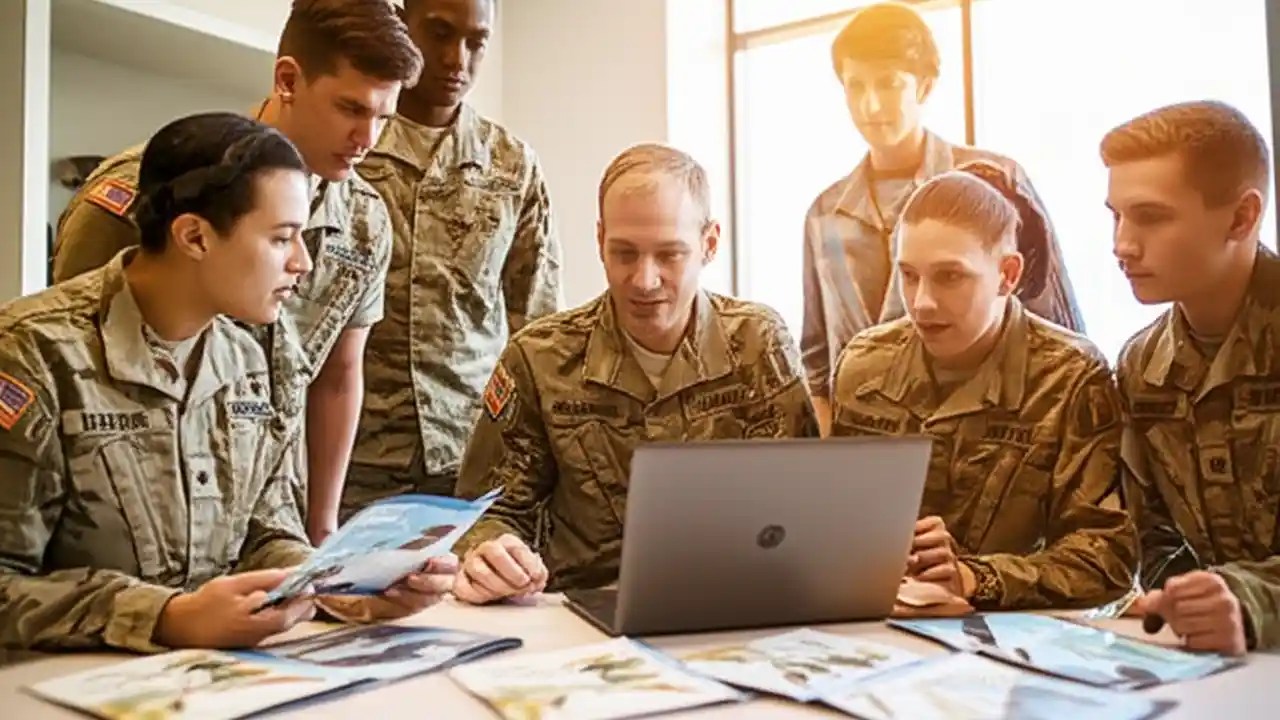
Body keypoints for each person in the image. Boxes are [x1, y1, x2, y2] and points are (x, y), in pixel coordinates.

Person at [0, 113, 453, 653]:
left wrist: (348, 587)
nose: (303, 263)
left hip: (214, 682)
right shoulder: (31, 354)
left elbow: (267, 533)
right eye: (282, 238)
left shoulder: (249, 359)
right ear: (194, 236)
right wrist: (165, 616)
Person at [51, 0, 423, 545]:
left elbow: (339, 378)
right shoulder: (149, 192)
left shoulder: (366, 219)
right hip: (137, 516)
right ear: (288, 79)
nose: (368, 139)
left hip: (270, 522)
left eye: (384, 117)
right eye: (350, 108)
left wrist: (323, 528)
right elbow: (69, 358)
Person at [448, 144, 820, 603]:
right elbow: (488, 508)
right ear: (600, 240)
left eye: (670, 255)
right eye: (624, 253)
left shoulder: (757, 343)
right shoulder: (540, 357)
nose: (645, 280)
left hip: (734, 601)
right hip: (579, 611)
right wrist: (490, 551)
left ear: (709, 244)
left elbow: (807, 502)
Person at [828, 165, 1136, 611]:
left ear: (1008, 275)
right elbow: (834, 518)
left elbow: (1107, 558)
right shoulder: (864, 364)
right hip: (881, 624)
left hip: (1016, 639)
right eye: (909, 275)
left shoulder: (1069, 375)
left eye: (950, 276)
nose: (921, 302)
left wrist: (974, 577)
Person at [803, 1, 1084, 435]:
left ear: (925, 86)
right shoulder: (825, 213)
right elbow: (818, 361)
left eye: (889, 83)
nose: (870, 103)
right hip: (872, 444)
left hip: (996, 442)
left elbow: (1058, 326)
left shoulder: (996, 184)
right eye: (855, 86)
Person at [343, 0, 562, 523]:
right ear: (404, 22)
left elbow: (536, 327)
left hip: (474, 457)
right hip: (353, 457)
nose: (455, 59)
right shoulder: (350, 146)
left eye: (475, 42)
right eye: (439, 33)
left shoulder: (512, 164)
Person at [1107, 100, 1279, 656]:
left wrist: (1247, 602)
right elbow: (1156, 540)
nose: (1122, 245)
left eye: (1150, 216)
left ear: (1241, 218)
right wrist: (1182, 601)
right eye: (1116, 215)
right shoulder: (1141, 365)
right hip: (1216, 667)